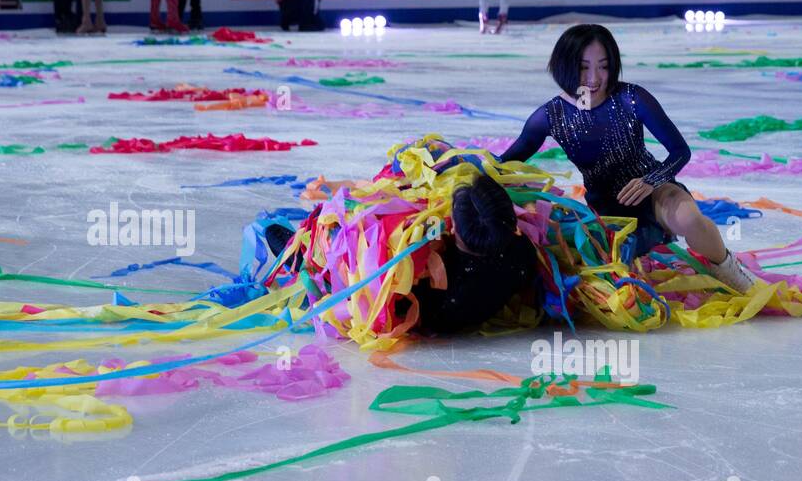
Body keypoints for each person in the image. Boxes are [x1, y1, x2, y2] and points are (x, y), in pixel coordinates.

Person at [499, 24, 759, 293]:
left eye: (603, 66)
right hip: (605, 210)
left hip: (656, 190)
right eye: (584, 66)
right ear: (565, 65)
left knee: (688, 218)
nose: (594, 77)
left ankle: (729, 270)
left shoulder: (631, 98)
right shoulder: (550, 115)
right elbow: (506, 162)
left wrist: (651, 180)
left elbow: (680, 151)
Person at [265, 174, 536, 335]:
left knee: (341, 252)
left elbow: (380, 305)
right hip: (460, 306)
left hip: (425, 316)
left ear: (453, 226)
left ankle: (301, 258)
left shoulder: (429, 284)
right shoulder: (523, 254)